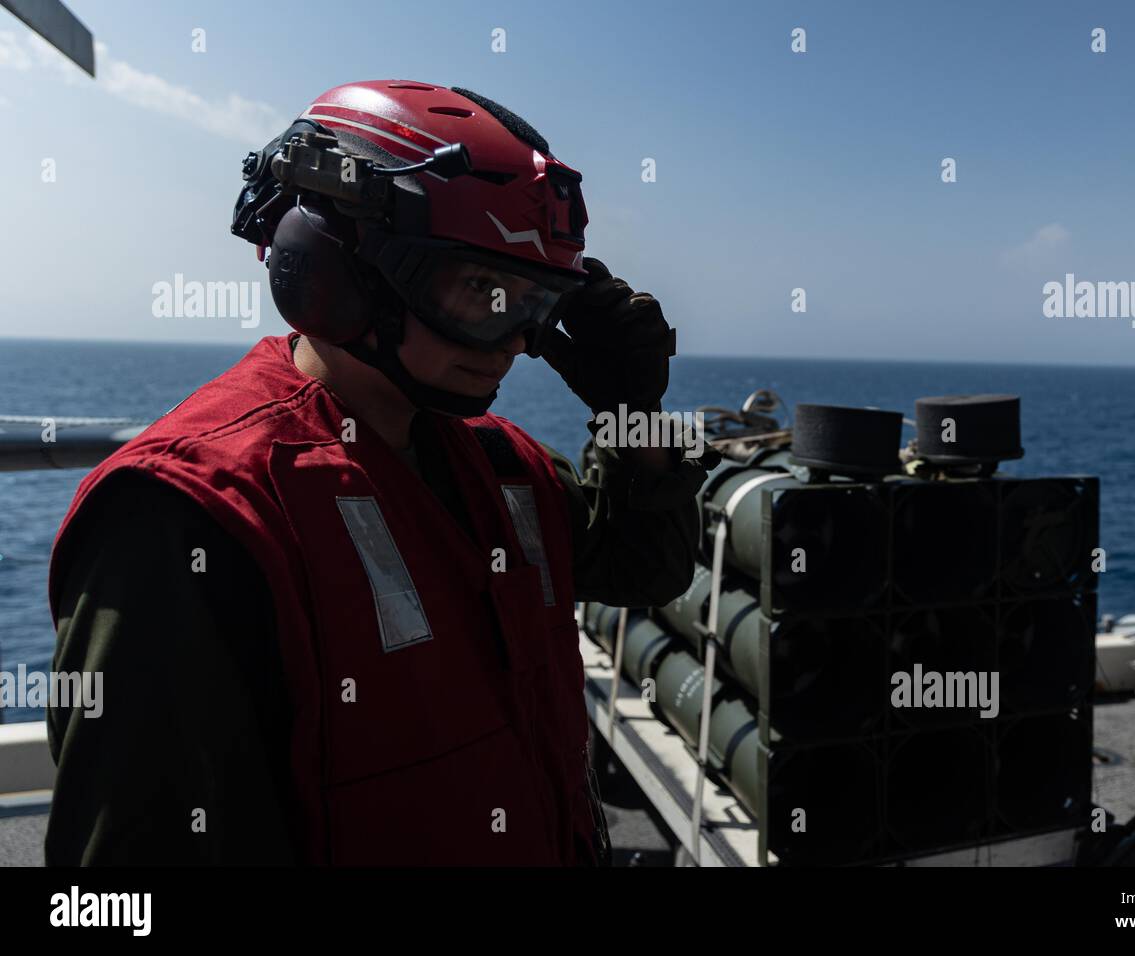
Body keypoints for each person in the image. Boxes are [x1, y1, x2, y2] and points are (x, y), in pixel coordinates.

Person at [44, 80, 719, 865]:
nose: (511, 343)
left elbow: (648, 567)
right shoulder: (193, 514)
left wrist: (631, 411)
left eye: (534, 304)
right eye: (481, 292)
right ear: (329, 270)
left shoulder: (501, 465)